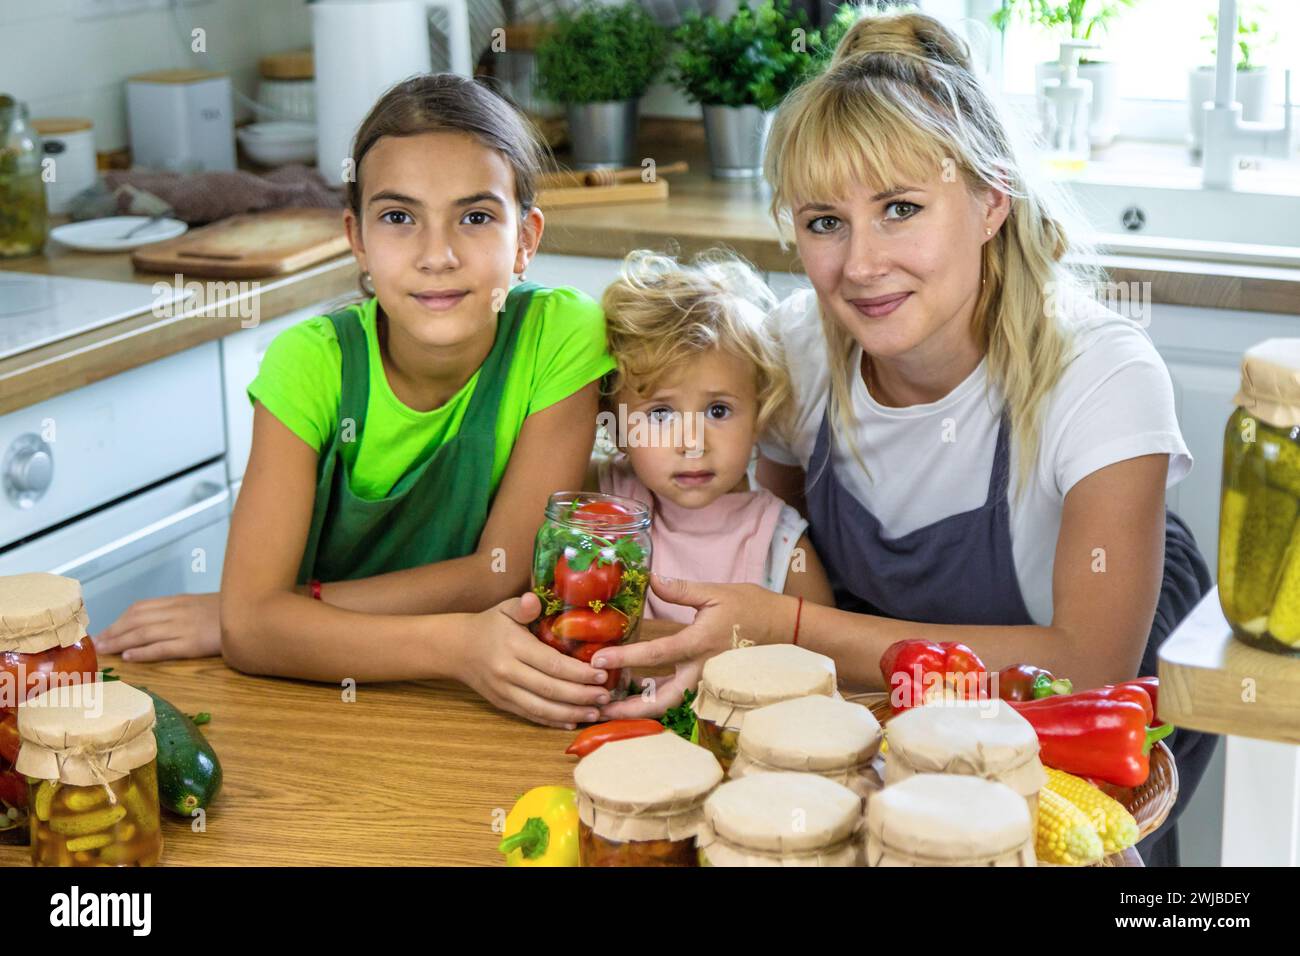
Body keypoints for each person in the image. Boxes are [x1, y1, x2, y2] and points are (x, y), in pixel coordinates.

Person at [593, 11, 1214, 864]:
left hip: (1086, 678)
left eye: (900, 209)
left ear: (992, 200)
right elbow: (759, 552)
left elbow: (1087, 664)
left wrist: (796, 627)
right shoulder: (798, 351)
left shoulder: (1101, 375)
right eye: (823, 222)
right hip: (892, 686)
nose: (859, 265)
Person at [97, 74, 619, 731]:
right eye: (399, 218)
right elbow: (254, 630)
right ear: (358, 238)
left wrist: (277, 612)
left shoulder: (562, 334)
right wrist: (454, 646)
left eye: (476, 217)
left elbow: (501, 575)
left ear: (527, 239)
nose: (438, 255)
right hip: (309, 704)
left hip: (469, 706)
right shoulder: (311, 364)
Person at [592, 249, 835, 621]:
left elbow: (823, 650)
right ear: (617, 426)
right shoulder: (597, 497)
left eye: (718, 411)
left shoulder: (779, 540)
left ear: (759, 416)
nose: (693, 443)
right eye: (660, 414)